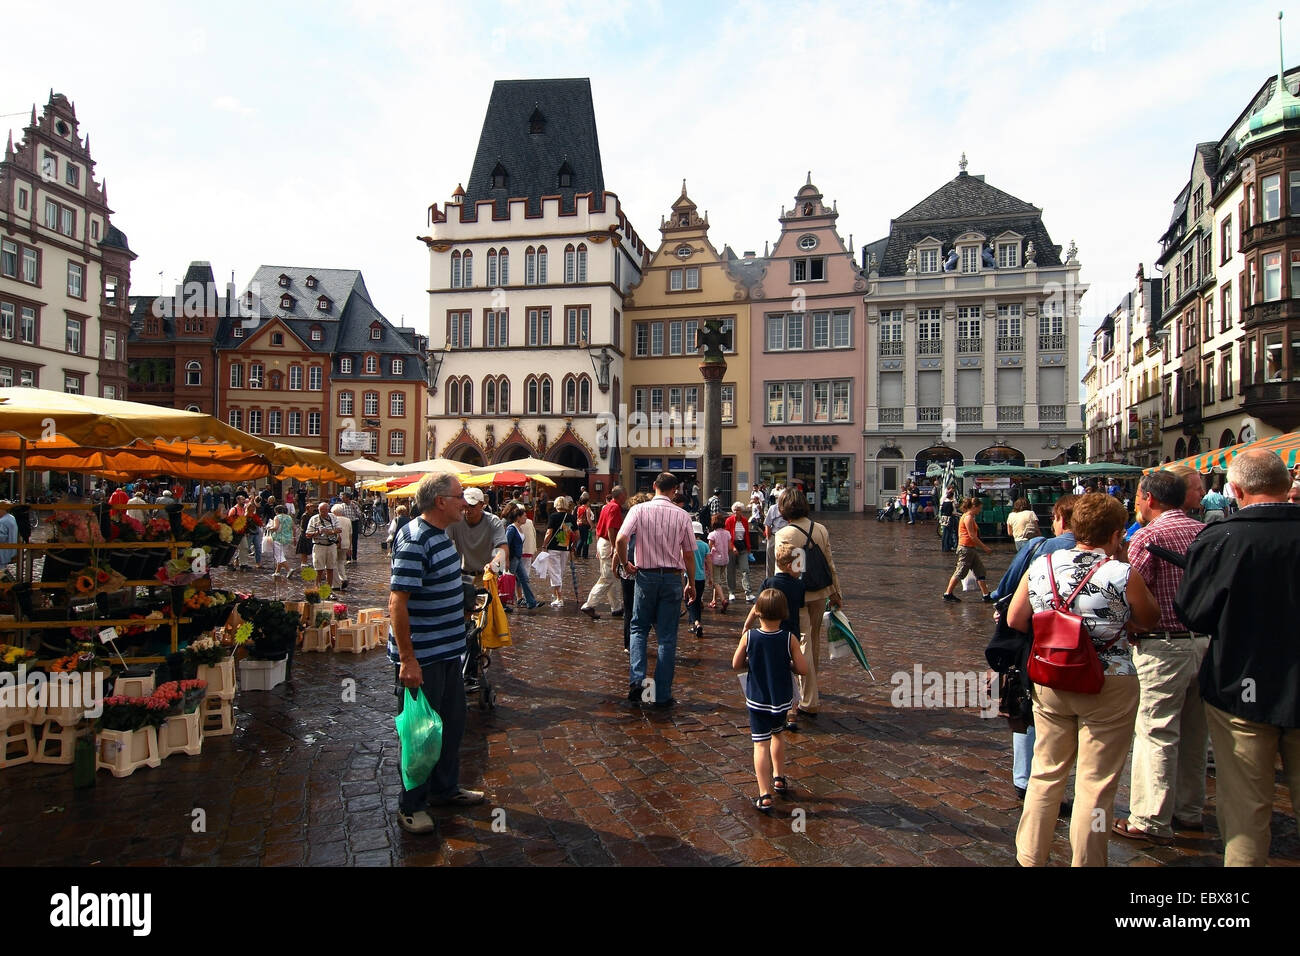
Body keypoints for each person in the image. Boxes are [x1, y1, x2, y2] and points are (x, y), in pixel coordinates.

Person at [1009, 493, 1159, 867]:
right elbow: (1150, 618)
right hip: (1109, 682)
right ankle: (1088, 861)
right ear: (1116, 533)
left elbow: (1015, 618)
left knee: (1045, 773)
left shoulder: (1042, 564)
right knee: (1096, 782)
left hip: (1052, 677)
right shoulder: (1122, 572)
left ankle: (1029, 857)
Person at [1176, 449, 1300, 866]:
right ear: (1286, 486)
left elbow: (1194, 614)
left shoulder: (1219, 538)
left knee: (1245, 807)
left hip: (1240, 684)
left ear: (1236, 490)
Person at [1109, 469, 1207, 846]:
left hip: (1163, 645)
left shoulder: (1149, 536)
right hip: (1203, 641)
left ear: (1149, 498)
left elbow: (1128, 592)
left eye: (1137, 495)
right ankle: (1189, 809)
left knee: (1157, 730)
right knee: (1196, 732)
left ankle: (1150, 818)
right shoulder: (1202, 531)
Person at [388, 472, 486, 834]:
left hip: (448, 652)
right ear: (440, 501)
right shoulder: (415, 539)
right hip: (424, 657)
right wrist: (408, 659)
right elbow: (398, 603)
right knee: (419, 736)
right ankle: (411, 805)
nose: (466, 502)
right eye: (460, 496)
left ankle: (445, 789)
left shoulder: (440, 535)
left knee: (450, 726)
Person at [989, 494, 1079, 800]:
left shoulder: (1039, 547)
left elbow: (1004, 591)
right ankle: (1063, 782)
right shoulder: (1108, 554)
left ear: (1062, 519)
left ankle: (1024, 778)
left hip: (1037, 638)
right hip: (1087, 648)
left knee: (1027, 702)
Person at [616, 472, 696, 708]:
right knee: (667, 636)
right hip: (672, 578)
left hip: (645, 575)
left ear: (654, 486)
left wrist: (624, 564)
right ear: (674, 490)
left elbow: (621, 539)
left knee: (639, 627)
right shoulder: (682, 515)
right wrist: (691, 582)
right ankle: (661, 694)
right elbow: (689, 554)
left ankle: (637, 680)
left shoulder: (639, 510)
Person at [732, 588, 809, 813]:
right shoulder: (789, 638)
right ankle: (779, 777)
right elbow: (802, 669)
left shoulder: (750, 637)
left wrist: (751, 662)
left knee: (760, 744)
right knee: (778, 736)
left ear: (758, 612)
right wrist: (790, 665)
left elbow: (736, 664)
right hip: (781, 701)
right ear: (784, 613)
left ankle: (764, 794)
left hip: (757, 700)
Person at [774, 486, 842, 725]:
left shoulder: (785, 533)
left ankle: (809, 700)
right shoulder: (820, 529)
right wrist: (836, 592)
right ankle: (810, 689)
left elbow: (781, 570)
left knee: (801, 642)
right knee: (812, 641)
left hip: (796, 595)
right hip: (820, 592)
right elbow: (830, 563)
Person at [446, 487, 508, 587]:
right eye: (465, 505)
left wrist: (494, 565)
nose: (467, 509)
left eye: (472, 505)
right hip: (461, 576)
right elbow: (444, 544)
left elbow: (503, 548)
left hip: (485, 576)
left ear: (482, 505)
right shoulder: (455, 521)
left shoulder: (493, 521)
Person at [581, 486, 627, 620]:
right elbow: (611, 528)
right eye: (625, 495)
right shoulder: (614, 507)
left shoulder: (606, 507)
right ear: (620, 495)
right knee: (608, 576)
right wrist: (614, 546)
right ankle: (589, 604)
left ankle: (616, 607)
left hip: (602, 541)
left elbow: (600, 527)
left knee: (612, 576)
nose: (626, 498)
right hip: (608, 542)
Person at [617, 493, 652, 653]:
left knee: (629, 608)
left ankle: (629, 644)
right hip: (644, 568)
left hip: (628, 568)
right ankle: (639, 640)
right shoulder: (650, 523)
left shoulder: (629, 521)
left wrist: (617, 564)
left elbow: (620, 543)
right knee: (646, 608)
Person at [942, 498, 994, 602]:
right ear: (974, 507)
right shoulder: (968, 517)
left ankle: (986, 594)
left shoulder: (969, 517)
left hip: (971, 548)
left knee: (980, 570)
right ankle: (948, 593)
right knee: (960, 571)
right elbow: (972, 536)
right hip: (966, 548)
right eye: (979, 508)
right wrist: (985, 548)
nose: (979, 511)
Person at [540, 496, 577, 608]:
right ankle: (555, 594)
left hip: (553, 548)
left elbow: (549, 533)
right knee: (559, 572)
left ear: (556, 505)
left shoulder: (553, 516)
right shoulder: (570, 517)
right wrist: (572, 545)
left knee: (554, 572)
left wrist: (544, 545)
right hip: (565, 548)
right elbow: (577, 534)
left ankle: (559, 598)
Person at [503, 503, 540, 610]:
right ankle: (503, 603)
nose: (526, 518)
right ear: (518, 517)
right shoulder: (512, 529)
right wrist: (506, 560)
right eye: (524, 516)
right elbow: (506, 544)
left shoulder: (519, 528)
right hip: (513, 559)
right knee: (508, 580)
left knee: (524, 579)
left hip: (518, 558)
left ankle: (531, 602)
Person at [724, 501, 754, 604]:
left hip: (743, 547)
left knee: (745, 570)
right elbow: (727, 536)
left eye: (739, 510)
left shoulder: (745, 521)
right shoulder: (729, 521)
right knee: (730, 570)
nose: (737, 512)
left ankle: (748, 592)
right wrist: (732, 547)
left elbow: (747, 535)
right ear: (733, 511)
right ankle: (731, 591)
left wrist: (749, 548)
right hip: (732, 547)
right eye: (735, 510)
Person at [306, 501, 341, 587]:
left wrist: (329, 532)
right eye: (321, 511)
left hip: (331, 545)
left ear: (328, 510)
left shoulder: (333, 517)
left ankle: (328, 589)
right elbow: (307, 534)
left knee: (330, 568)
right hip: (319, 545)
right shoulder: (314, 519)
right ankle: (317, 588)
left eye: (324, 511)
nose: (323, 513)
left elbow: (339, 529)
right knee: (318, 569)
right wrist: (318, 532)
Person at [686, 520, 708, 638]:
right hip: (701, 577)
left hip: (689, 577)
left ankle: (696, 623)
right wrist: (710, 577)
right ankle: (695, 624)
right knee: (697, 600)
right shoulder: (704, 545)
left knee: (689, 601)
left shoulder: (687, 544)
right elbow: (708, 561)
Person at [706, 514, 732, 612]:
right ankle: (714, 601)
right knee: (718, 580)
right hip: (725, 560)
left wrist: (713, 549)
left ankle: (723, 600)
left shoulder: (712, 534)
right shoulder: (727, 533)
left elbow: (708, 548)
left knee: (716, 582)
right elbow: (729, 547)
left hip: (715, 560)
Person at [764, 492, 789, 579]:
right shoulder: (773, 508)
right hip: (775, 535)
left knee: (786, 559)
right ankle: (770, 580)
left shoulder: (789, 508)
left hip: (786, 536)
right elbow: (767, 523)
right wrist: (768, 537)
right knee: (771, 560)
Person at [330, 503, 353, 590]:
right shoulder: (348, 520)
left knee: (334, 563)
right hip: (346, 544)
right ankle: (343, 578)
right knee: (341, 562)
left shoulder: (333, 520)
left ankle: (336, 582)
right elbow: (351, 534)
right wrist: (350, 547)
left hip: (336, 544)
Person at [268, 504, 295, 578]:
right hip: (288, 539)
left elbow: (276, 527)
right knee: (281, 555)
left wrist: (269, 528)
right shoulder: (289, 517)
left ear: (276, 511)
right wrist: (294, 537)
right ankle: (277, 572)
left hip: (278, 538)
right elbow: (294, 528)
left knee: (279, 556)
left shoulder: (277, 517)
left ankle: (289, 569)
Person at [939, 488, 958, 552]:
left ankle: (944, 547)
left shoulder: (944, 502)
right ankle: (947, 547)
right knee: (949, 533)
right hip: (950, 518)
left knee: (945, 533)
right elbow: (951, 512)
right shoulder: (950, 503)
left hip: (944, 518)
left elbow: (942, 510)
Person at [574, 492, 593, 559]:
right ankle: (585, 555)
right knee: (586, 540)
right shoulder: (587, 508)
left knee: (581, 539)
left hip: (579, 524)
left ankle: (577, 552)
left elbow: (577, 516)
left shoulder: (579, 508)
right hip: (585, 525)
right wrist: (591, 525)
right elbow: (588, 518)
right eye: (589, 502)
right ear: (587, 502)